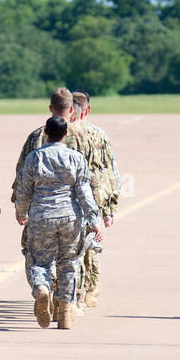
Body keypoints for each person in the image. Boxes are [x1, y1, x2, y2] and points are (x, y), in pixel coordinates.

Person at [14, 116, 102, 330]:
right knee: (68, 263)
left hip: (42, 216)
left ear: (46, 133)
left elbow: (24, 189)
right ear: (65, 135)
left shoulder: (35, 158)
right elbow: (84, 191)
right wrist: (94, 218)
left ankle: (42, 289)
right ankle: (64, 314)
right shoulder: (76, 158)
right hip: (70, 218)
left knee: (39, 262)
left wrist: (21, 211)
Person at [73, 91, 121, 307]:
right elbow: (110, 170)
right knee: (91, 244)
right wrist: (111, 206)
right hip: (95, 197)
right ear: (87, 110)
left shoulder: (59, 132)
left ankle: (75, 293)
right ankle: (87, 291)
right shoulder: (97, 134)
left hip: (67, 198)